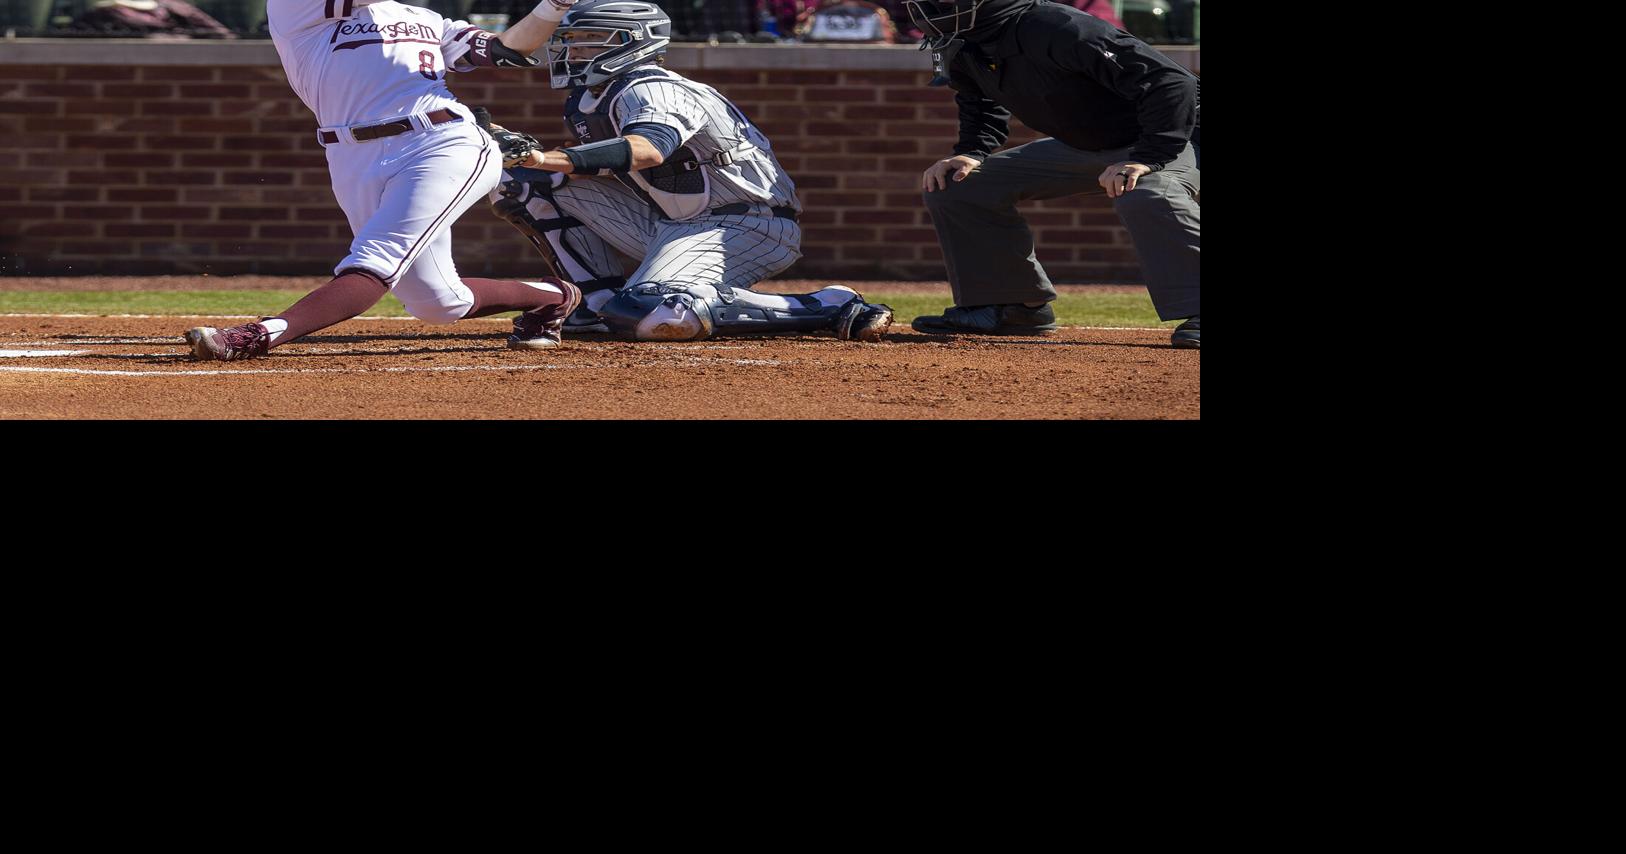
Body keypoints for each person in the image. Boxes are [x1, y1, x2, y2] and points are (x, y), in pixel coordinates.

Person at [185, 0, 585, 361]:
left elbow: (506, 49)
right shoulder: (296, 6)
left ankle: (260, 335)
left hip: (441, 141)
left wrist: (554, 5)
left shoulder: (424, 18)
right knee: (437, 302)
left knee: (376, 258)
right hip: (350, 155)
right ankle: (554, 296)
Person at [479, 0, 894, 342]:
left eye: (591, 40)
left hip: (745, 223)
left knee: (657, 312)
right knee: (520, 181)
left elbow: (646, 150)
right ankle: (595, 305)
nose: (575, 51)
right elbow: (596, 166)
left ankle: (826, 305)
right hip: (673, 221)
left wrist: (540, 157)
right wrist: (507, 145)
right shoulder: (592, 97)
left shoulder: (653, 86)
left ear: (633, 42)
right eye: (572, 41)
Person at [904, 0, 1200, 348]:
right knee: (957, 186)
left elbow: (1172, 82)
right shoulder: (961, 39)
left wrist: (1150, 156)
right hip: (1094, 144)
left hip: (1180, 135)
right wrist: (971, 151)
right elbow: (978, 99)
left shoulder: (1056, 26)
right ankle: (1012, 306)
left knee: (1147, 192)